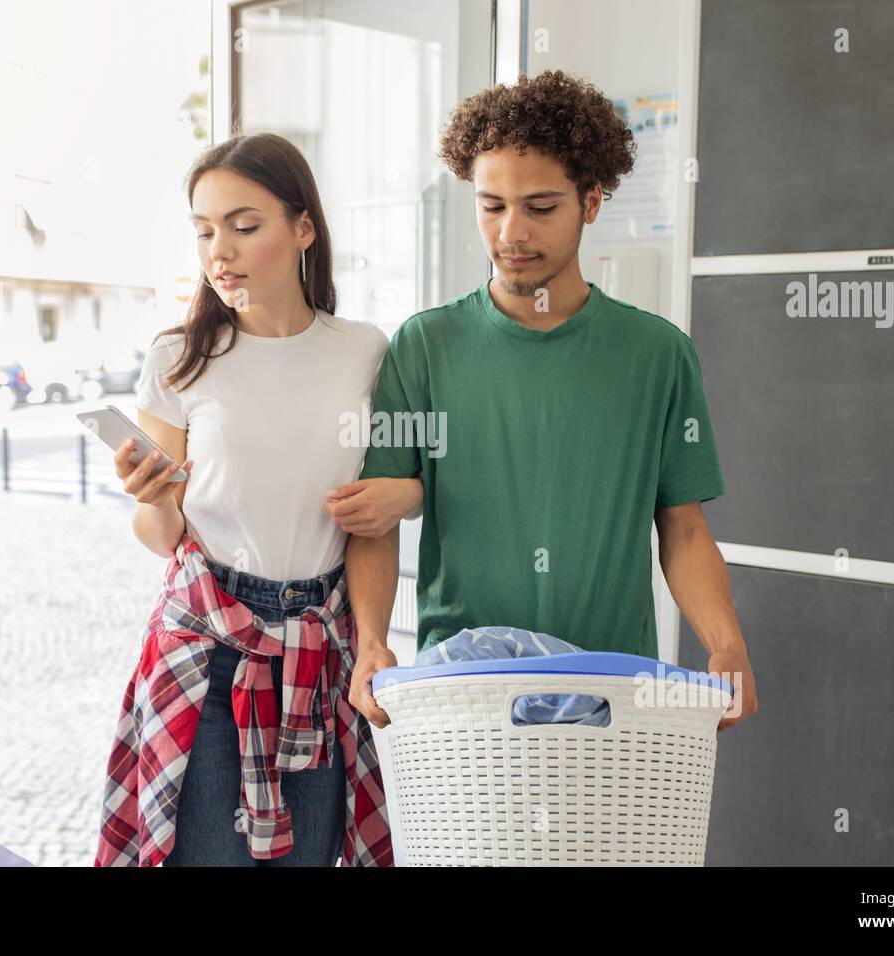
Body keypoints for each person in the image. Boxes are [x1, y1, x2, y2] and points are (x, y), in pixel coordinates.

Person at [338, 69, 759, 733]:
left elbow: (683, 529)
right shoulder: (424, 345)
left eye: (540, 207)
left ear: (591, 201)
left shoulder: (657, 355)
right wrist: (370, 643)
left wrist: (725, 644)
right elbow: (375, 520)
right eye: (491, 205)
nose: (511, 233)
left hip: (614, 690)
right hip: (462, 692)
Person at [108, 132, 421, 867]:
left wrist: (406, 492)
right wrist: (152, 497)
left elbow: (394, 490)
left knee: (311, 855)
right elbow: (161, 537)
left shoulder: (366, 352)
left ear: (303, 228)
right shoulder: (179, 359)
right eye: (205, 230)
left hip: (321, 650)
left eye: (245, 226)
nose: (222, 250)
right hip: (207, 651)